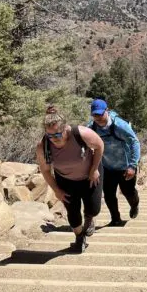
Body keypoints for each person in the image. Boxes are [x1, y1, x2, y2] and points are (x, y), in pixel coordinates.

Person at [36, 105, 103, 253]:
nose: (54, 139)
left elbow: (99, 146)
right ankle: (79, 238)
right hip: (65, 180)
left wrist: (94, 169)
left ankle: (90, 217)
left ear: (65, 128)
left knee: (94, 208)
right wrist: (56, 190)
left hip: (89, 175)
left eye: (58, 135)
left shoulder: (81, 133)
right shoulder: (43, 146)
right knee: (72, 213)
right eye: (50, 136)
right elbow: (46, 171)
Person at [88, 99, 140, 226]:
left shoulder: (120, 125)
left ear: (107, 111)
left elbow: (134, 142)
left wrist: (132, 165)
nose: (98, 117)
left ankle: (134, 205)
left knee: (128, 191)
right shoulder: (91, 127)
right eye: (95, 115)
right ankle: (115, 218)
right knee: (109, 194)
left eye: (100, 114)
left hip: (125, 166)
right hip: (107, 167)